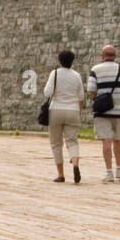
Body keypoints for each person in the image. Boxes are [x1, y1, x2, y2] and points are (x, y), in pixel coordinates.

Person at [87, 44, 120, 182]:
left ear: (102, 56)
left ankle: (108, 172)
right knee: (117, 139)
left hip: (102, 112)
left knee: (106, 140)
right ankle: (119, 169)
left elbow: (91, 91)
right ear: (115, 56)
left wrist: (98, 99)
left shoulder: (95, 70)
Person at [44, 50, 84, 183]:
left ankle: (61, 174)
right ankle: (76, 164)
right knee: (72, 141)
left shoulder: (54, 73)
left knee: (56, 143)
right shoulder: (77, 76)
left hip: (56, 109)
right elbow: (81, 96)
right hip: (72, 110)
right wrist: (79, 112)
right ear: (72, 61)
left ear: (59, 60)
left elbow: (47, 92)